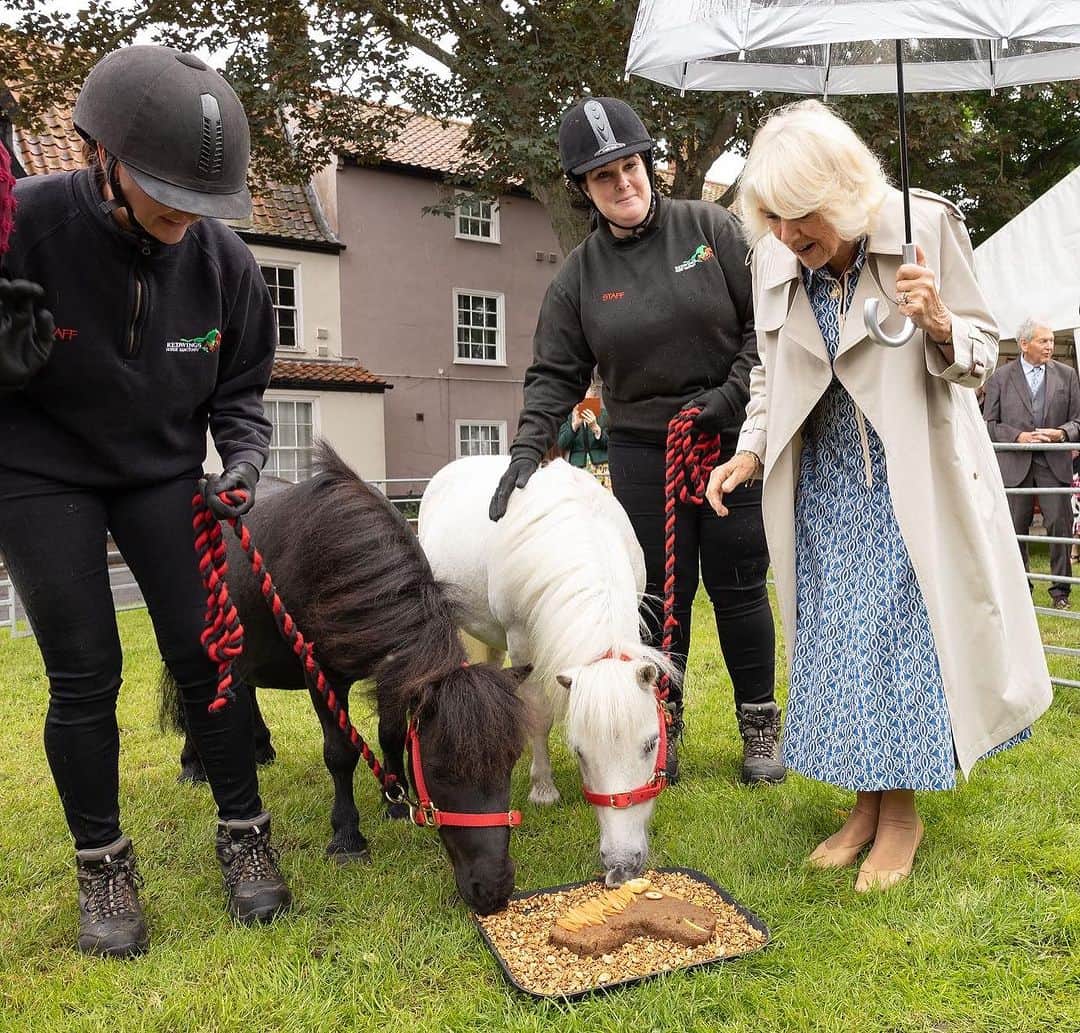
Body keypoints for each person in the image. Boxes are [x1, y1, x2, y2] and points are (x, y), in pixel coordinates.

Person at [705, 100, 1052, 892]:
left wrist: (939, 321)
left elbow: (982, 355)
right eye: (773, 218)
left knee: (898, 644)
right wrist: (750, 450)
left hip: (911, 478)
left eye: (801, 215)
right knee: (838, 644)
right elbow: (770, 374)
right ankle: (864, 805)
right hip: (823, 484)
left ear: (840, 190)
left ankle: (902, 816)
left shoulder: (925, 227)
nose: (787, 234)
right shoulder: (772, 261)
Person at [0, 45, 291, 958]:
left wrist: (242, 461)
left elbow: (241, 391)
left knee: (208, 653)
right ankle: (103, 863)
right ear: (104, 156)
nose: (183, 215)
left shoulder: (225, 265)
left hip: (163, 471)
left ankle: (244, 832)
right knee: (85, 670)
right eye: (165, 193)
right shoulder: (23, 225)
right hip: (40, 471)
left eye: (202, 201)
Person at [488, 96, 783, 786]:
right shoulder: (579, 276)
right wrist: (527, 451)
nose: (623, 183)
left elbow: (764, 329)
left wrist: (729, 397)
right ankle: (661, 720)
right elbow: (555, 373)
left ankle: (759, 724)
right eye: (603, 176)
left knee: (740, 584)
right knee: (657, 601)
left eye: (630, 166)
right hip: (644, 451)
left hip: (731, 436)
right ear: (584, 189)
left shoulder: (710, 228)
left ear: (647, 164)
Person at [982, 320, 1080, 609]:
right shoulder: (1000, 378)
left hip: (1054, 464)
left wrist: (1060, 433)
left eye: (1052, 341)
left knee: (1059, 527)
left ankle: (1061, 592)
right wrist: (1018, 437)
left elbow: (1077, 422)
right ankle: (1020, 589)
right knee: (1015, 528)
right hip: (1015, 464)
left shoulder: (1067, 375)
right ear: (1024, 344)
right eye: (1043, 341)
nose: (1050, 346)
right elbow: (989, 424)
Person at [557, 382, 610, 482]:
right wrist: (574, 426)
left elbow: (610, 443)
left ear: (595, 398)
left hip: (601, 466)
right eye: (581, 402)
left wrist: (596, 429)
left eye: (588, 402)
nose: (584, 406)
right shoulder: (569, 417)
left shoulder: (604, 415)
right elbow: (561, 444)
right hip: (577, 467)